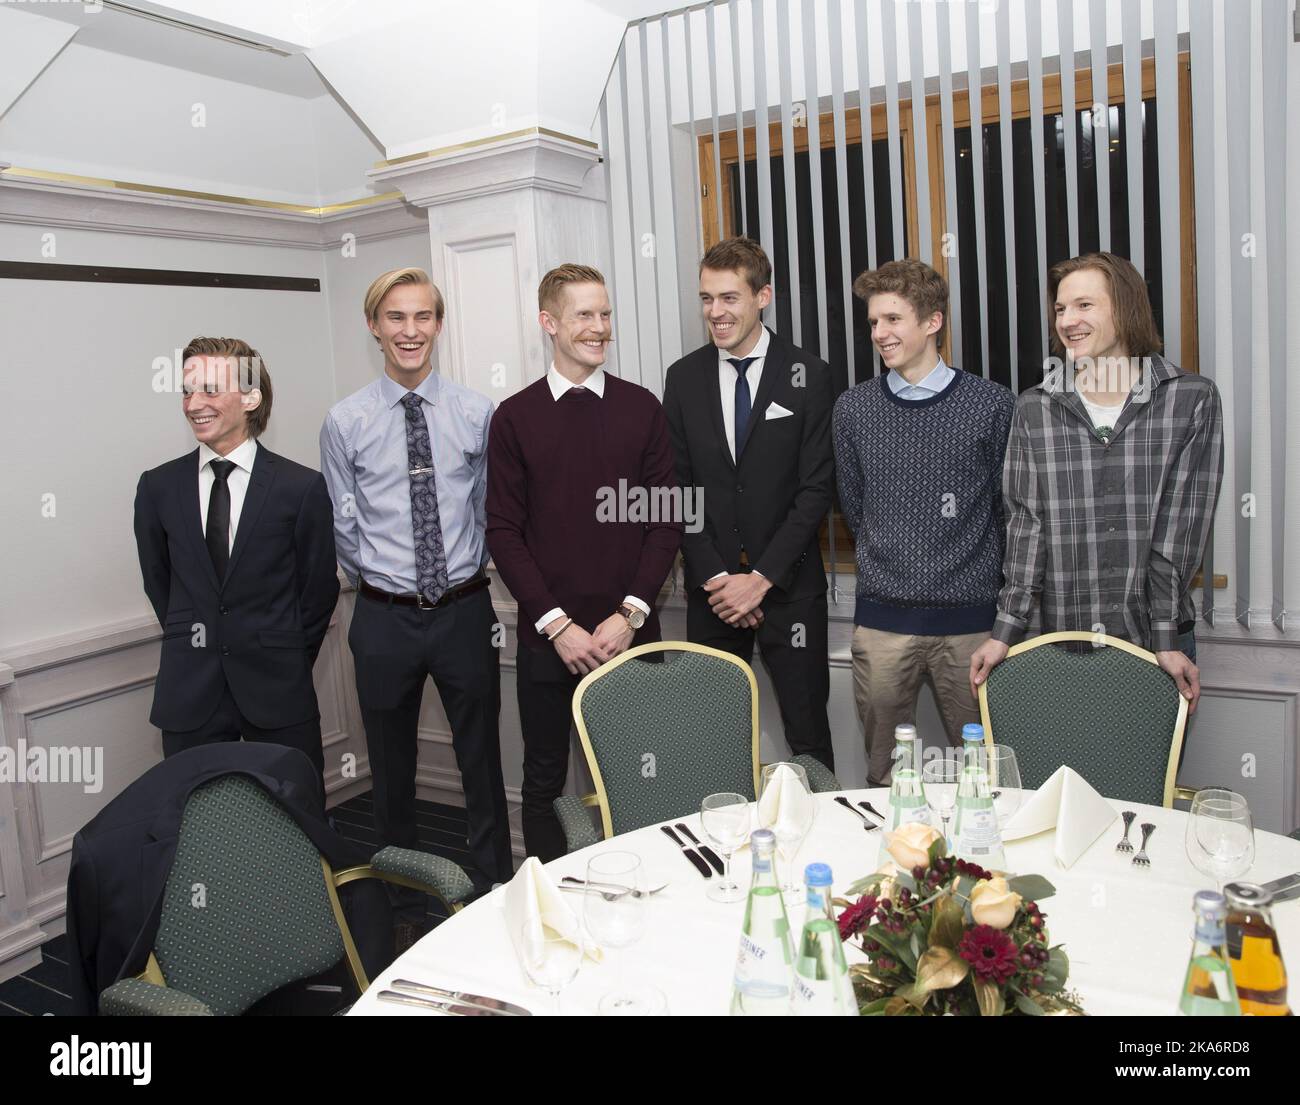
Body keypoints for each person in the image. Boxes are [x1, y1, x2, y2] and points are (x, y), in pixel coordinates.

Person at [320, 268, 512, 940]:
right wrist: (386, 582)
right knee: (390, 769)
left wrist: (455, 577)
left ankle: (493, 891)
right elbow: (344, 524)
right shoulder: (345, 421)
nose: (410, 330)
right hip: (382, 618)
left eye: (423, 316)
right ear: (374, 326)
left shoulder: (477, 413)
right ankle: (403, 908)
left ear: (438, 324)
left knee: (481, 761)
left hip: (464, 611)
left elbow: (488, 510)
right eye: (396, 317)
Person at [969, 251, 1224, 714]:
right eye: (1061, 309)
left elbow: (1181, 528)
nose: (1068, 320)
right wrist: (1005, 630)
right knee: (1054, 764)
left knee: (1146, 766)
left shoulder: (1190, 398)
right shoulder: (1035, 407)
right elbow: (1026, 527)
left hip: (1155, 643)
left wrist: (1165, 636)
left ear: (1125, 308)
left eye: (1084, 305)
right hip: (1057, 642)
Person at [486, 264, 681, 862]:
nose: (599, 327)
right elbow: (503, 532)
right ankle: (552, 898)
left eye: (605, 314)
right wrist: (559, 627)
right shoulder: (514, 417)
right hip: (549, 642)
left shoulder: (642, 407)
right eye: (584, 315)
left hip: (632, 637)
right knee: (544, 781)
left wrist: (629, 615)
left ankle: (649, 887)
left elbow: (665, 521)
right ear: (549, 322)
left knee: (642, 777)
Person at [834, 260, 1014, 785]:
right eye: (873, 322)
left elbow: (1007, 512)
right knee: (886, 775)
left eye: (893, 319)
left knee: (986, 774)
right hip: (883, 625)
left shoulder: (991, 404)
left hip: (973, 627)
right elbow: (856, 507)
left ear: (933, 321)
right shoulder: (853, 409)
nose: (879, 333)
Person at [134, 337, 339, 796]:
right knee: (195, 823)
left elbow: (317, 592)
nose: (193, 404)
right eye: (187, 391)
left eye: (209, 389)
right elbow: (159, 582)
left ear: (250, 398)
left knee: (296, 817)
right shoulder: (158, 487)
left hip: (278, 691)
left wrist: (282, 654)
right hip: (190, 695)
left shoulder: (300, 487)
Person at [662, 236, 836, 770]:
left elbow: (816, 490)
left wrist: (759, 579)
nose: (715, 312)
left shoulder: (809, 374)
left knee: (809, 741)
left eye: (729, 297)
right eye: (707, 298)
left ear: (763, 296)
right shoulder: (683, 377)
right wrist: (719, 580)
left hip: (790, 590)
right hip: (712, 595)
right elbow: (678, 490)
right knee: (714, 745)